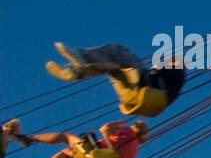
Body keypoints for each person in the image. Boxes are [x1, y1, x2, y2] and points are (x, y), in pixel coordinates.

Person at [45, 43, 186, 112]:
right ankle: (76, 72)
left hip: (144, 88)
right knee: (111, 67)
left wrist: (162, 65)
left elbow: (158, 72)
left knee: (117, 51)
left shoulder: (176, 73)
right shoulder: (174, 84)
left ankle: (81, 60)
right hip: (133, 98)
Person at [13, 119, 148, 158]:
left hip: (96, 152)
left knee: (66, 137)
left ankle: (30, 138)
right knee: (68, 153)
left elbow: (104, 130)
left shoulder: (128, 132)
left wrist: (116, 124)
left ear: (136, 128)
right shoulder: (134, 153)